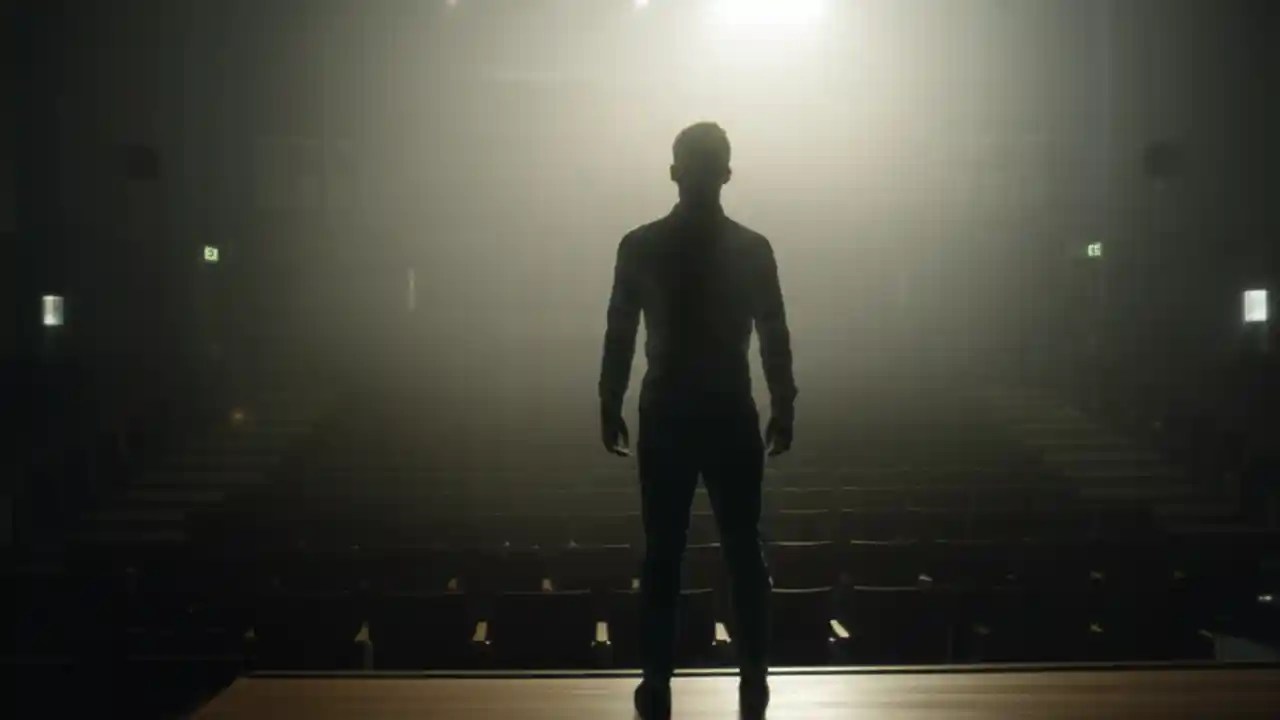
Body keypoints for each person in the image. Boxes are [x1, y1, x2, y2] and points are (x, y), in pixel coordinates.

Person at [598, 121, 798, 720]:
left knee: (663, 552)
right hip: (730, 409)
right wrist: (784, 402)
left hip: (665, 410)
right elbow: (774, 333)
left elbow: (620, 332)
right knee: (743, 551)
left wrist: (609, 399)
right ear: (727, 174)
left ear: (674, 171)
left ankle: (657, 682)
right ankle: (754, 681)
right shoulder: (752, 248)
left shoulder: (640, 245)